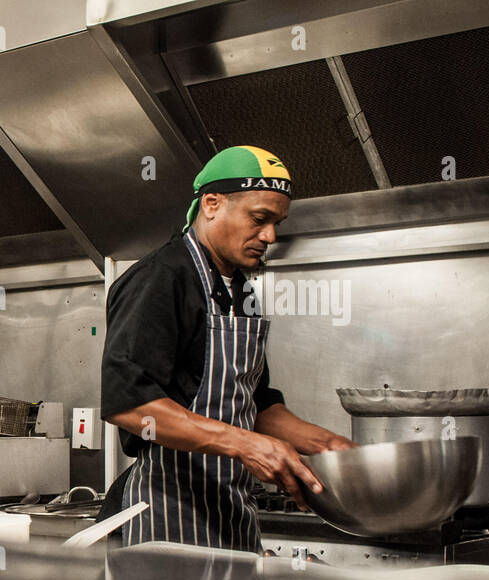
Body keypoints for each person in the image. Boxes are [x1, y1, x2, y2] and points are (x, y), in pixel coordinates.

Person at [99, 145, 356, 554]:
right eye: (260, 219)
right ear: (212, 204)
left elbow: (255, 403)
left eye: (277, 223)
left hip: (230, 513)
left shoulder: (240, 290)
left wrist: (328, 446)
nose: (270, 236)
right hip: (164, 517)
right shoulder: (161, 278)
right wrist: (245, 445)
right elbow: (130, 405)